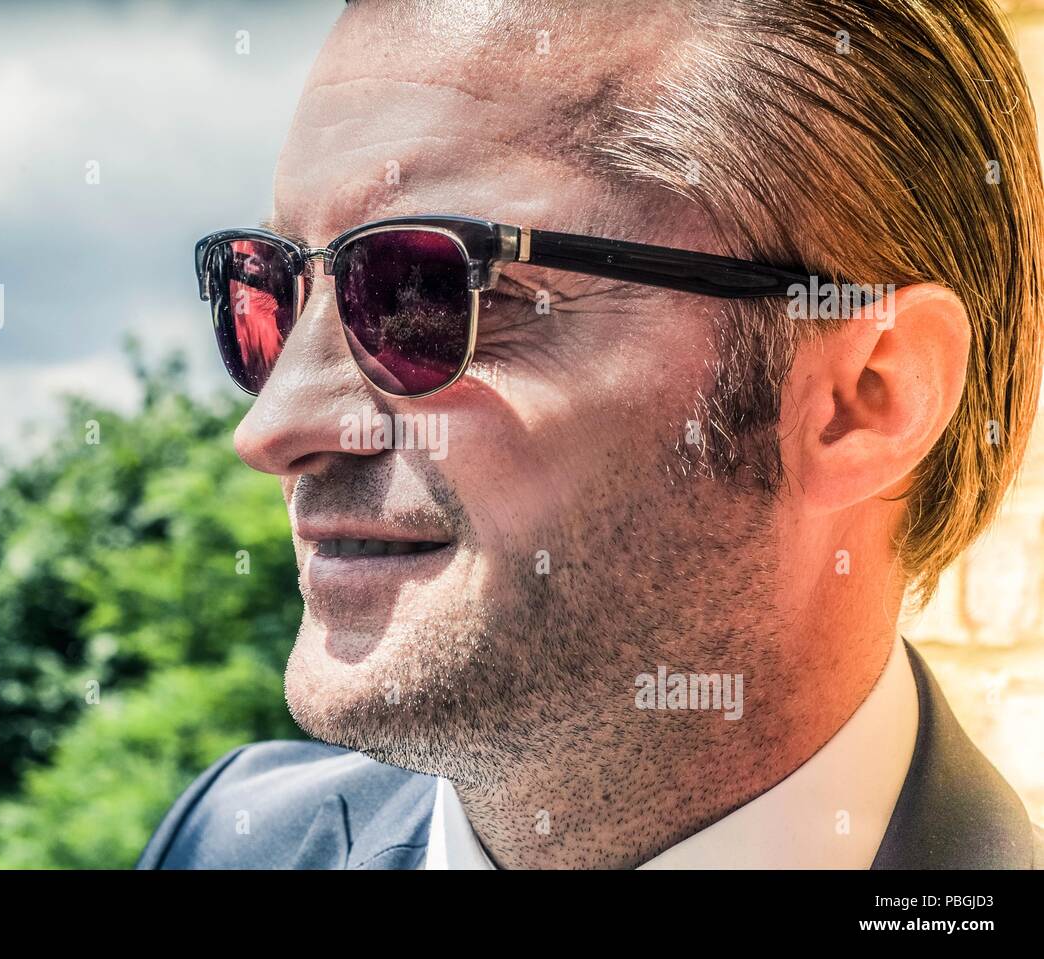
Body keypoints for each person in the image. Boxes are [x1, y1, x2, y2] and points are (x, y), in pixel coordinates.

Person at [140, 0, 1044, 869]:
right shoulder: (223, 841)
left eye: (426, 290)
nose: (271, 426)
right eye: (265, 286)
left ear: (865, 399)